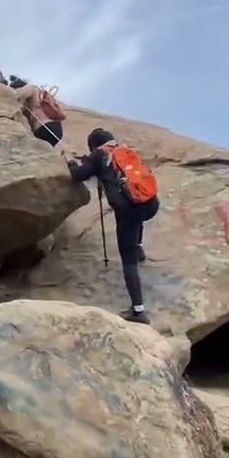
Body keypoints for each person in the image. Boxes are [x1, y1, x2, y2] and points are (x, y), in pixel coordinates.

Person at [67, 128, 160, 325]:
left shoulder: (98, 155)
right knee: (133, 210)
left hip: (129, 213)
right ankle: (139, 248)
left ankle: (138, 311)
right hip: (151, 204)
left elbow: (78, 175)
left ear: (94, 145)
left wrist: (72, 163)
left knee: (128, 262)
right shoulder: (124, 151)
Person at [14, 82, 64, 147]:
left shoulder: (32, 89)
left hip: (43, 127)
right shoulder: (44, 94)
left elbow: (17, 94)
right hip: (57, 128)